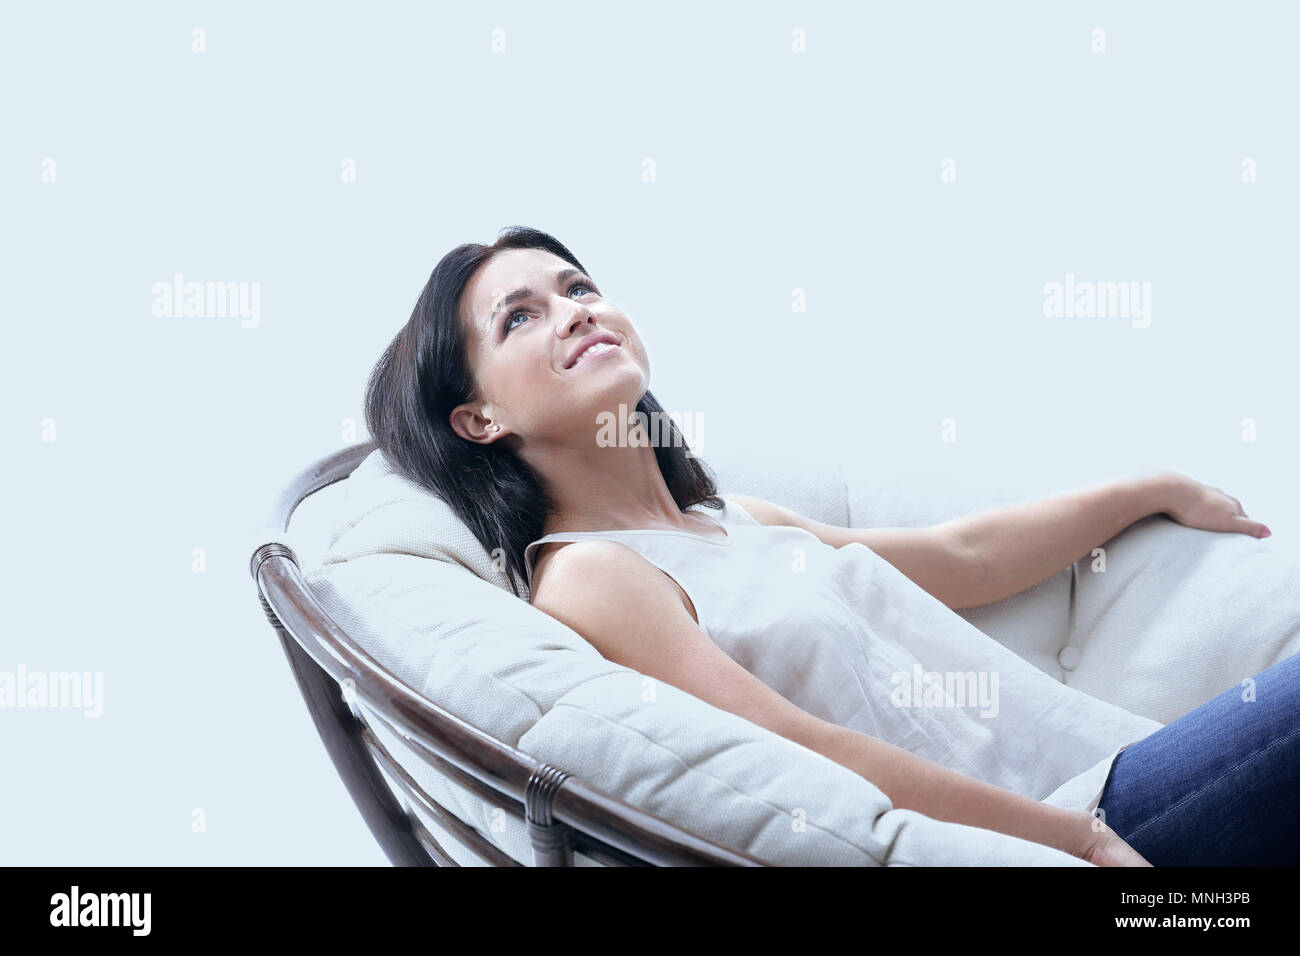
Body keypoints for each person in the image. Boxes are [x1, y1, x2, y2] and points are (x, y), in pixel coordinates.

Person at [363, 225, 1297, 866]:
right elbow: (798, 752)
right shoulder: (590, 575)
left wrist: (1151, 488)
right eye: (518, 317)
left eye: (578, 287)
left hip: (1129, 776)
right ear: (478, 418)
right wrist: (1069, 839)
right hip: (1069, 828)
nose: (574, 310)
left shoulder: (734, 522)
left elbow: (964, 558)